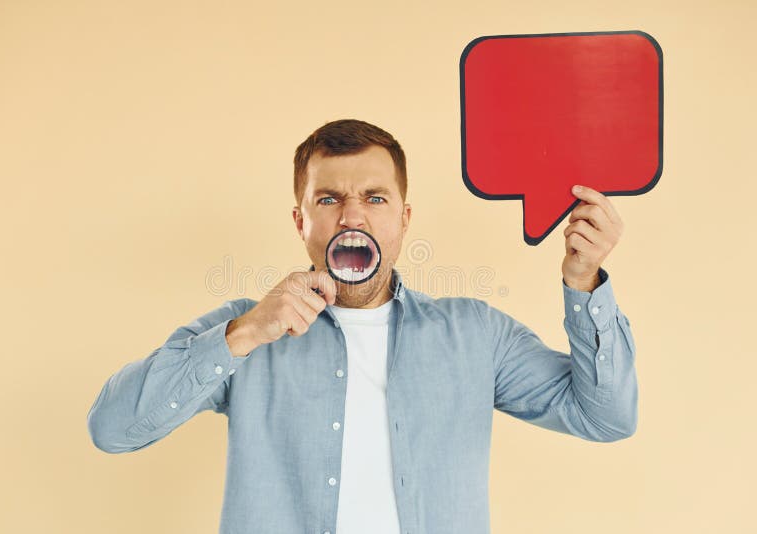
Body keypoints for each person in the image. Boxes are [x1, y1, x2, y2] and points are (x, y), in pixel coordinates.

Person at [87, 118, 638, 534]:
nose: (352, 216)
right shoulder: (245, 329)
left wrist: (584, 280)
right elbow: (112, 429)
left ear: (403, 218)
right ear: (301, 221)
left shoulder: (476, 335)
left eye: (375, 198)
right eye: (329, 199)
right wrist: (244, 334)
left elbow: (606, 418)